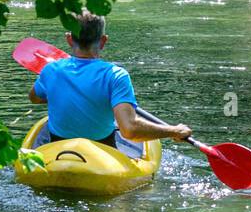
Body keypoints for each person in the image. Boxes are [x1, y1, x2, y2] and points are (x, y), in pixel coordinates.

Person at [29, 11, 192, 148]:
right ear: (103, 41)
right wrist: (174, 131)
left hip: (58, 150)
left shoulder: (51, 70)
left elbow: (35, 98)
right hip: (101, 152)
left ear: (69, 39)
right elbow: (129, 130)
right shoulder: (115, 75)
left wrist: (63, 94)